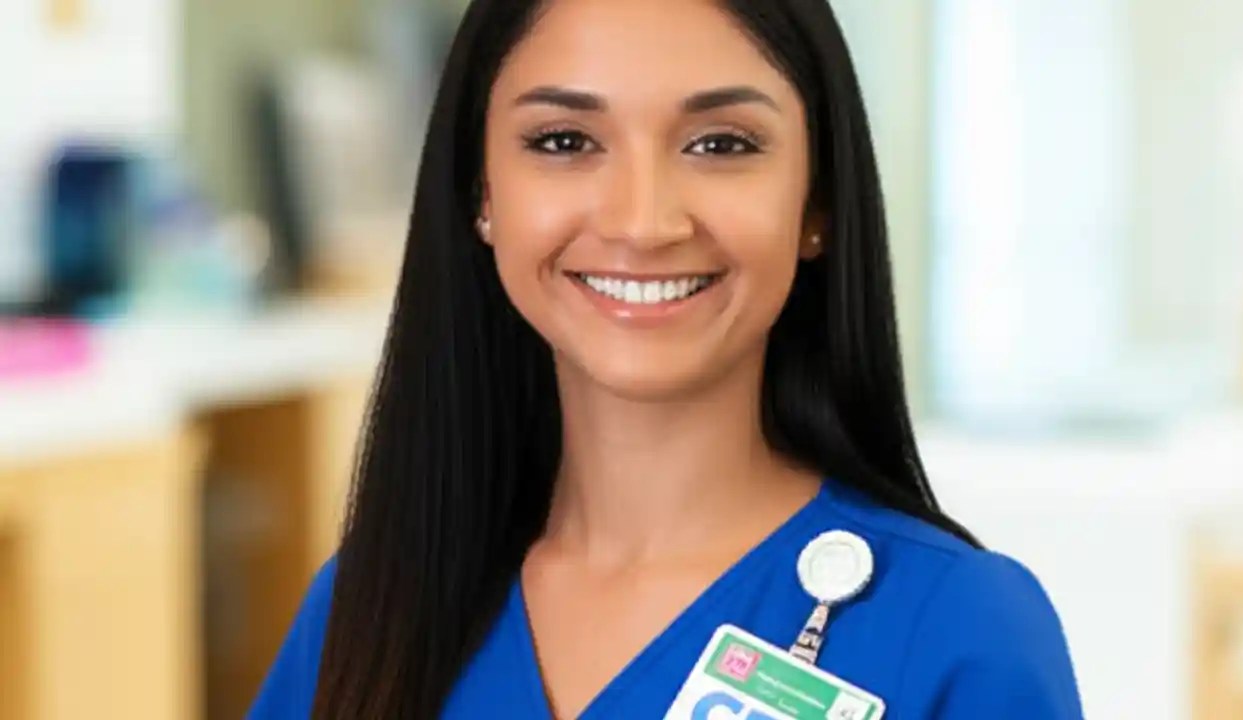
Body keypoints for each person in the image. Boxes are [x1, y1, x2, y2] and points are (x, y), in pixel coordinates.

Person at [250, 0, 1084, 717]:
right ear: (482, 194)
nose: (643, 223)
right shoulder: (369, 610)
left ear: (816, 204)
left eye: (720, 144)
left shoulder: (957, 631)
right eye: (565, 140)